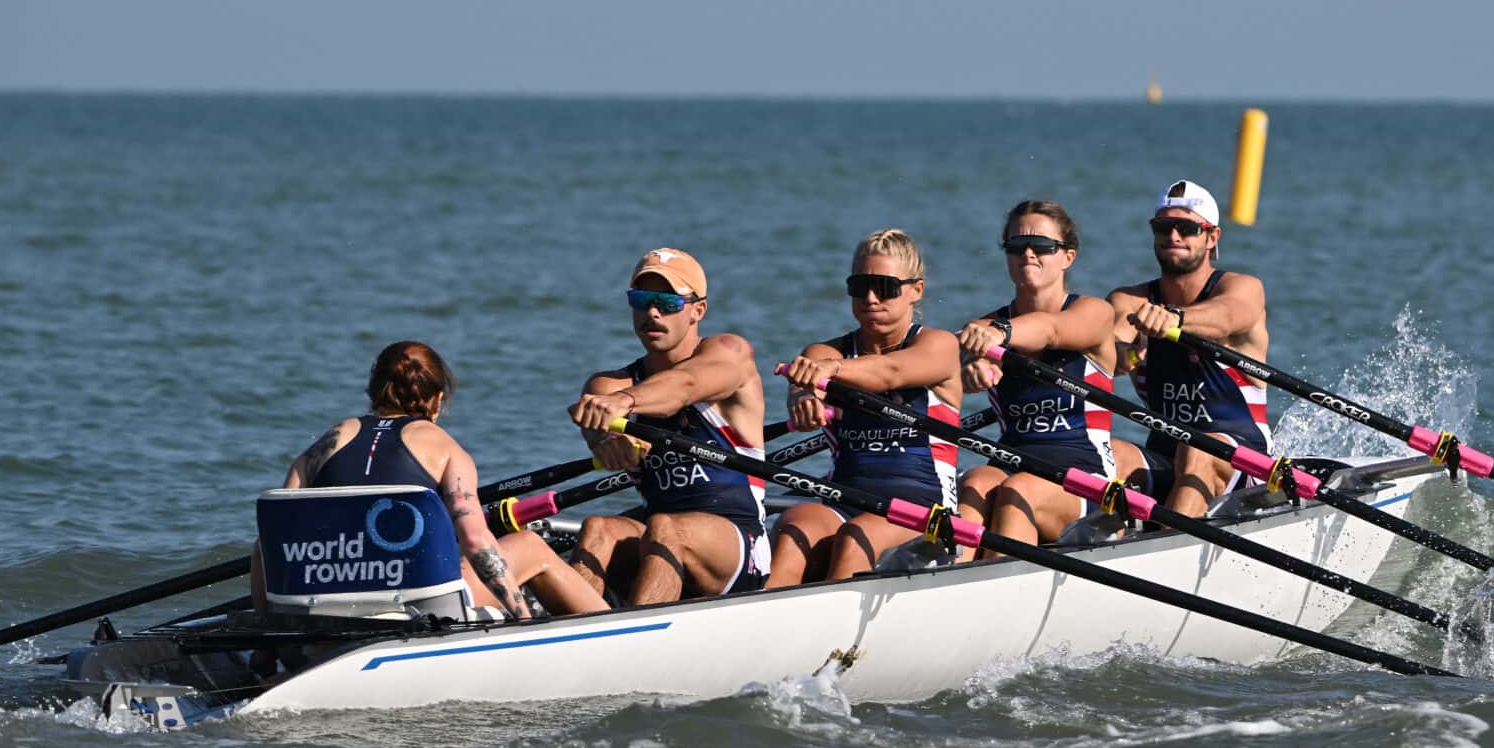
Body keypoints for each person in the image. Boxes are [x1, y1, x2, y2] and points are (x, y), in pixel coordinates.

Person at [252, 340, 605, 619]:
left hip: (319, 602)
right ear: (437, 400)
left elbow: (274, 537)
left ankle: (267, 647)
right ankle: (614, 628)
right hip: (419, 606)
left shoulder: (327, 442)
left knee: (267, 541)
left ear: (374, 393)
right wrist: (520, 617)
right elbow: (474, 539)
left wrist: (269, 638)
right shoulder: (446, 449)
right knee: (530, 547)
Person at [567, 248, 771, 604]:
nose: (653, 313)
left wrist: (626, 404)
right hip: (658, 533)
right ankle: (572, 637)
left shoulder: (729, 353)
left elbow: (684, 387)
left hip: (739, 544)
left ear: (698, 310)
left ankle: (637, 643)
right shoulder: (608, 385)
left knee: (665, 527)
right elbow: (599, 421)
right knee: (597, 529)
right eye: (641, 300)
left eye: (667, 302)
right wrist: (607, 441)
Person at [770, 229, 963, 584]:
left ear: (915, 291)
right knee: (793, 526)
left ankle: (834, 637)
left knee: (855, 538)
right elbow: (804, 386)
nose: (871, 298)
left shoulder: (939, 346)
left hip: (925, 509)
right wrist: (804, 400)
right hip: (844, 499)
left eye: (885, 287)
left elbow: (890, 372)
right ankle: (759, 625)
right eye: (860, 286)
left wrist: (832, 372)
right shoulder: (823, 353)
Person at [953, 200, 1130, 560]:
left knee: (1019, 491)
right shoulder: (983, 329)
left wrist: (1000, 335)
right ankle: (945, 584)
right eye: (1017, 246)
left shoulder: (1095, 313)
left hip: (1086, 481)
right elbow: (947, 363)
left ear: (1068, 256)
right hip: (1010, 461)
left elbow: (1050, 330)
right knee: (972, 484)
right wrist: (968, 373)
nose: (1028, 254)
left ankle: (1002, 595)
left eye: (1042, 247)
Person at [1109, 179, 1272, 517]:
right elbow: (1113, 342)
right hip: (1166, 455)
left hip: (1243, 461)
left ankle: (1165, 547)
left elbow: (1226, 317)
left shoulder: (1243, 289)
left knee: (1197, 449)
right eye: (1164, 227)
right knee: (1106, 455)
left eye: (1187, 228)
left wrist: (1173, 320)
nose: (1174, 236)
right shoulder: (1130, 300)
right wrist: (1121, 355)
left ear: (1212, 237)